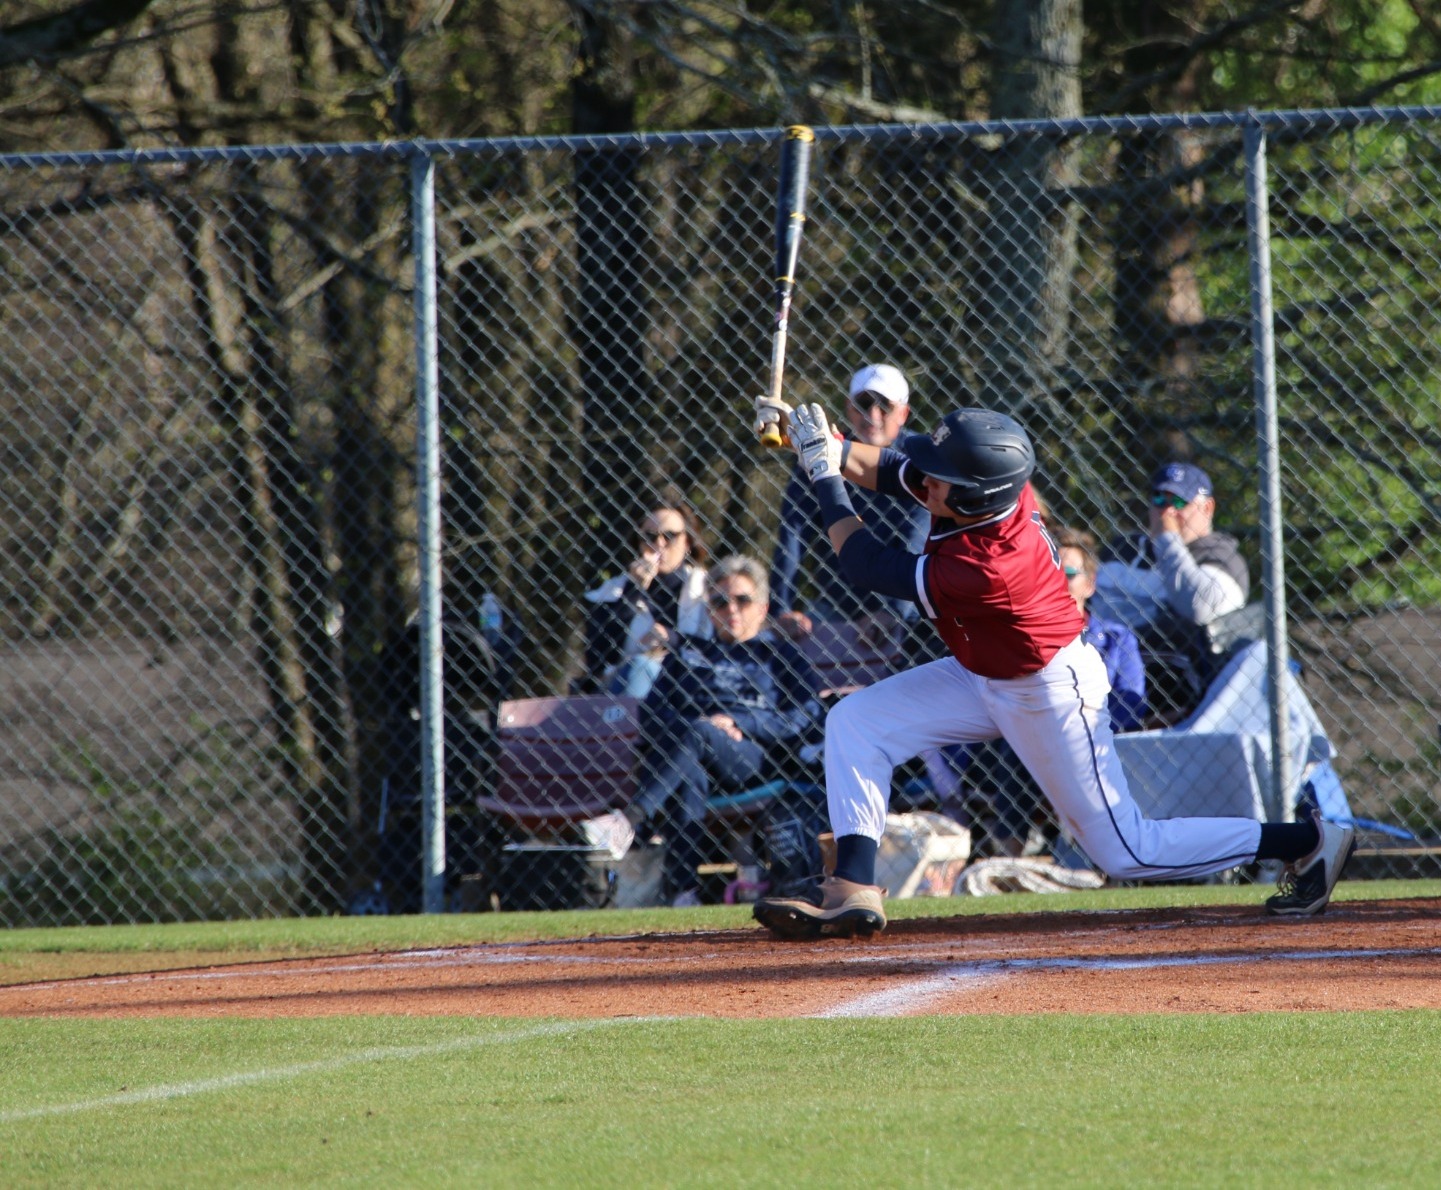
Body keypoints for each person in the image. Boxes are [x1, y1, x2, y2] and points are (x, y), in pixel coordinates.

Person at [747, 400, 1355, 938]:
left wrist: (821, 473)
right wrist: (819, 443)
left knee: (1126, 852)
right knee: (857, 721)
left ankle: (1306, 842)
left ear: (974, 494)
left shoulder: (990, 565)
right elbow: (890, 468)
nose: (925, 480)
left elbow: (864, 563)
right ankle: (853, 884)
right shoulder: (987, 491)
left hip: (1047, 691)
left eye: (941, 477)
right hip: (982, 671)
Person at [628, 555, 825, 906]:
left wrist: (741, 723)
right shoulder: (687, 653)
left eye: (742, 600)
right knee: (691, 768)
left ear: (763, 608)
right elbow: (652, 714)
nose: (730, 609)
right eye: (720, 601)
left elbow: (805, 716)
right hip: (689, 758)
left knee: (697, 736)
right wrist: (697, 728)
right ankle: (683, 894)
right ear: (708, 609)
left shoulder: (780, 657)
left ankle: (631, 819)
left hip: (752, 759)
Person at [966, 526, 1147, 856]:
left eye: (1068, 573)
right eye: (1048, 571)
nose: (1057, 579)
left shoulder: (1117, 638)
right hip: (1034, 736)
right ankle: (1012, 858)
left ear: (1089, 584)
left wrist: (1081, 727)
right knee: (1014, 748)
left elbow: (1130, 703)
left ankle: (1093, 853)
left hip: (1096, 736)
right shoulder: (1021, 638)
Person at [769, 364, 929, 640]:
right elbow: (793, 533)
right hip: (837, 602)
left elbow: (915, 541)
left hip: (908, 601)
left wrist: (893, 611)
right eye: (864, 404)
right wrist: (781, 609)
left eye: (885, 406)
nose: (873, 416)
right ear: (849, 407)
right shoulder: (819, 452)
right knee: (791, 645)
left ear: (903, 412)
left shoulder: (922, 458)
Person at [1090, 461, 1251, 720]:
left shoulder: (1223, 558)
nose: (1166, 512)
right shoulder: (1122, 549)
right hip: (1110, 676)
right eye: (1158, 500)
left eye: (1178, 503)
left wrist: (1167, 540)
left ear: (1207, 508)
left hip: (1183, 696)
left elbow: (1198, 608)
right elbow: (1093, 603)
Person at [578, 489, 712, 698]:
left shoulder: (708, 588)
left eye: (670, 536)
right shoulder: (614, 591)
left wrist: (674, 639)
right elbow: (598, 658)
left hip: (691, 682)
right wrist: (633, 591)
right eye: (649, 536)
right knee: (641, 667)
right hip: (629, 684)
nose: (659, 544)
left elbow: (721, 647)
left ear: (688, 542)